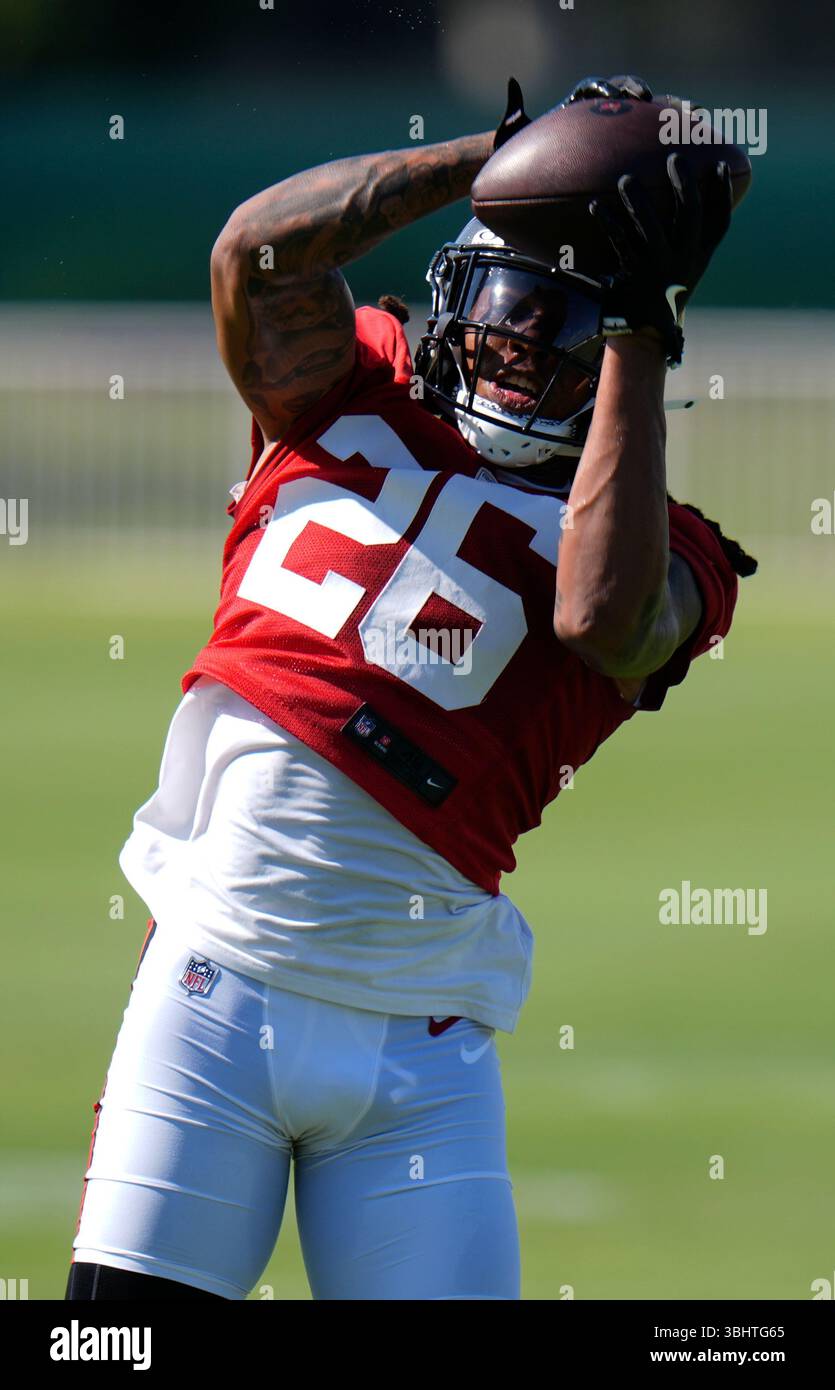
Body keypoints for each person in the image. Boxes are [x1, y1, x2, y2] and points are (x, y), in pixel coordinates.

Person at [66, 74, 755, 1302]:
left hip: (420, 1045)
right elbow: (256, 250)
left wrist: (643, 328)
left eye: (556, 318)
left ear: (614, 355)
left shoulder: (664, 543)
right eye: (498, 296)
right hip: (211, 991)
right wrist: (493, 158)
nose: (510, 334)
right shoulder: (352, 383)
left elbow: (602, 618)